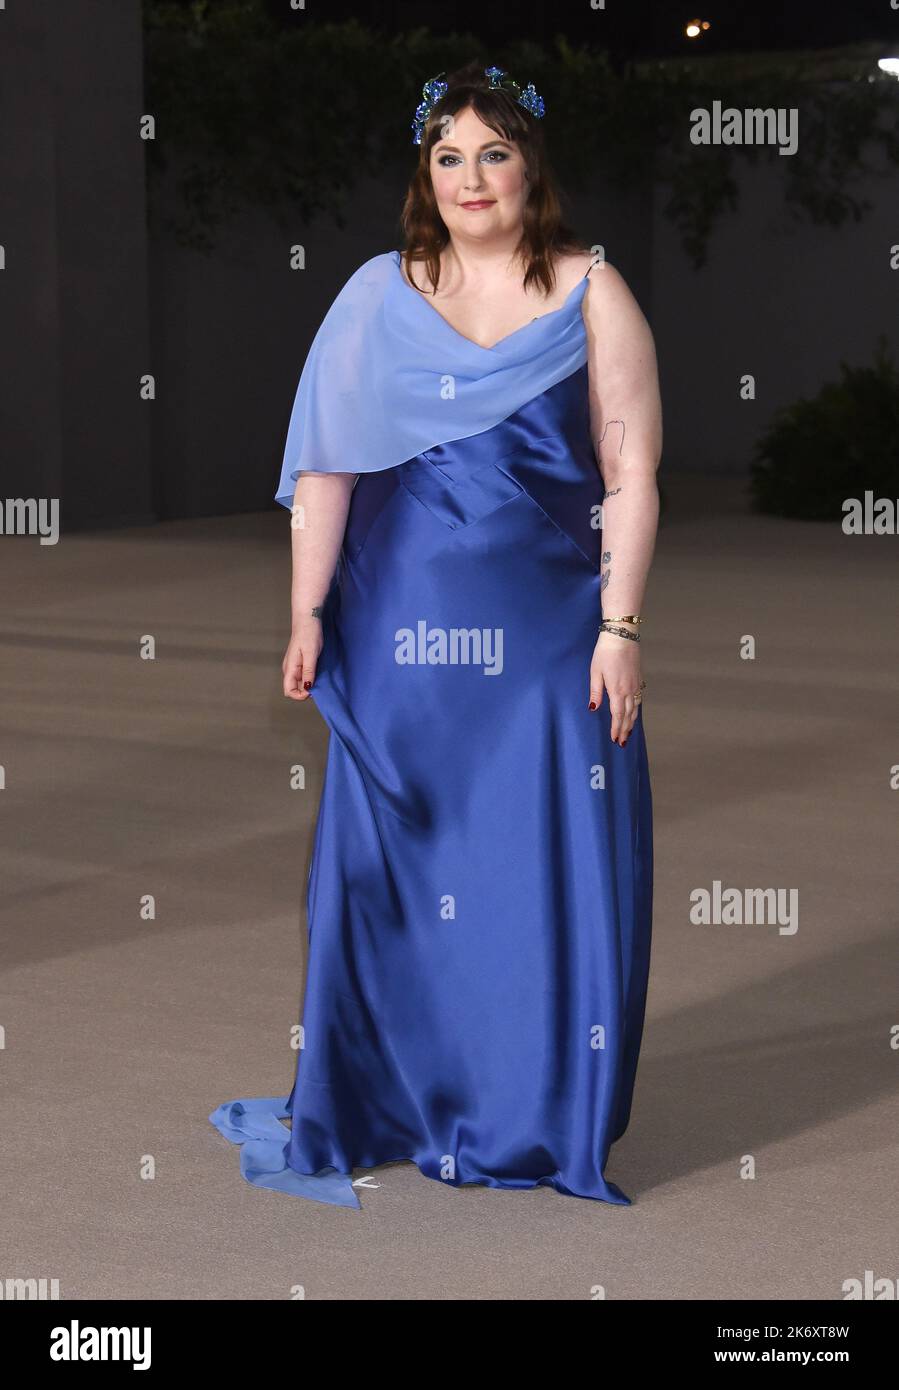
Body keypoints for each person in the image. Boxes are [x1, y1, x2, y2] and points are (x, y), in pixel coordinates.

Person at [210, 61, 661, 1209]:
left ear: (530, 168)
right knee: (396, 871)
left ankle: (526, 1110)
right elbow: (325, 470)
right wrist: (308, 611)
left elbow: (632, 470)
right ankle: (391, 1097)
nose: (470, 177)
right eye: (448, 155)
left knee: (527, 871)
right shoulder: (379, 293)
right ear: (425, 170)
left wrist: (619, 625)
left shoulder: (593, 291)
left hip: (549, 649)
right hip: (397, 640)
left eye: (493, 153)